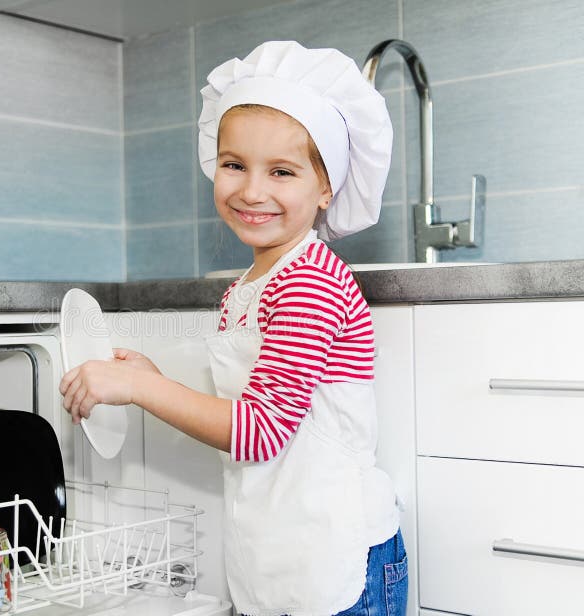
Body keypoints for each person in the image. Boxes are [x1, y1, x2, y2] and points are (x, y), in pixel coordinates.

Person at [59, 40, 407, 616]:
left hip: (333, 555)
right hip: (279, 547)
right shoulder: (250, 285)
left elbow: (258, 431)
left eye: (282, 171)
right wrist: (153, 373)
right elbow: (256, 400)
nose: (252, 190)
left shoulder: (310, 283)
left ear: (327, 188)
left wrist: (142, 389)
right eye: (234, 165)